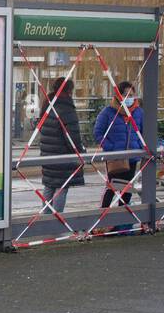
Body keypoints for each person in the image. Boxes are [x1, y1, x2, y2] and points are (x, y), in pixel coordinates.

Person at [92, 80, 145, 209]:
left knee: (127, 190)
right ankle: (103, 215)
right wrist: (111, 147)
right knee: (111, 187)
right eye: (126, 95)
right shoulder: (108, 112)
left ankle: (123, 219)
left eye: (131, 95)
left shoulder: (138, 112)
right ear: (119, 96)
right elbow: (98, 133)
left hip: (132, 156)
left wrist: (138, 145)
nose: (129, 98)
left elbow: (143, 132)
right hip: (114, 158)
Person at [38, 77, 84, 214]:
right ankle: (56, 221)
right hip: (62, 155)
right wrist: (80, 152)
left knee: (49, 186)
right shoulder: (66, 109)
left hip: (47, 155)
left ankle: (44, 219)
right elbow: (72, 138)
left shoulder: (48, 104)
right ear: (69, 91)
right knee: (61, 188)